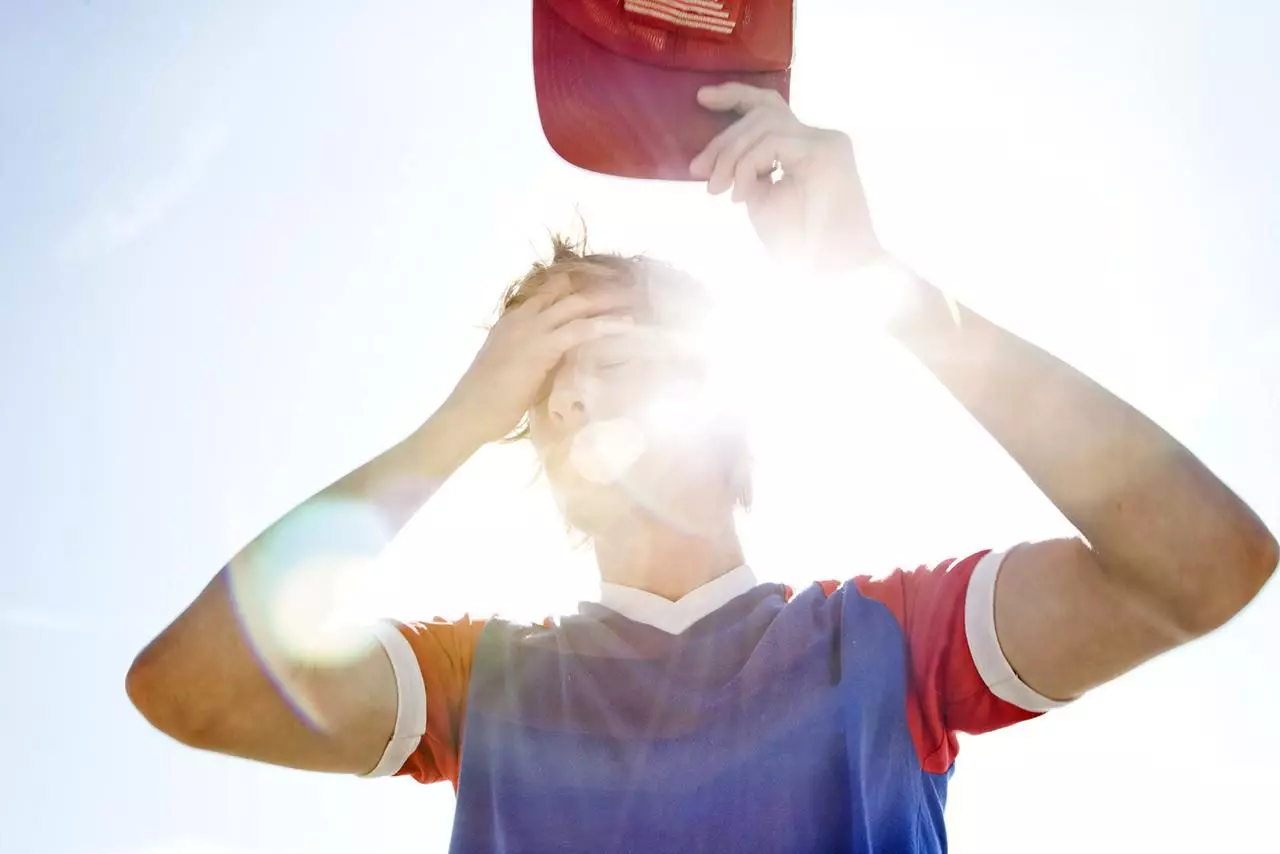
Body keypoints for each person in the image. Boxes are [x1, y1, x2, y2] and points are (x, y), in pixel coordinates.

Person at [126, 83, 1277, 853]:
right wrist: (453, 424)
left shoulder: (882, 641)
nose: (569, 391)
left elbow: (1202, 564)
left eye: (609, 351)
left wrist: (879, 283)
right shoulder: (484, 684)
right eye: (537, 378)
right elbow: (188, 686)